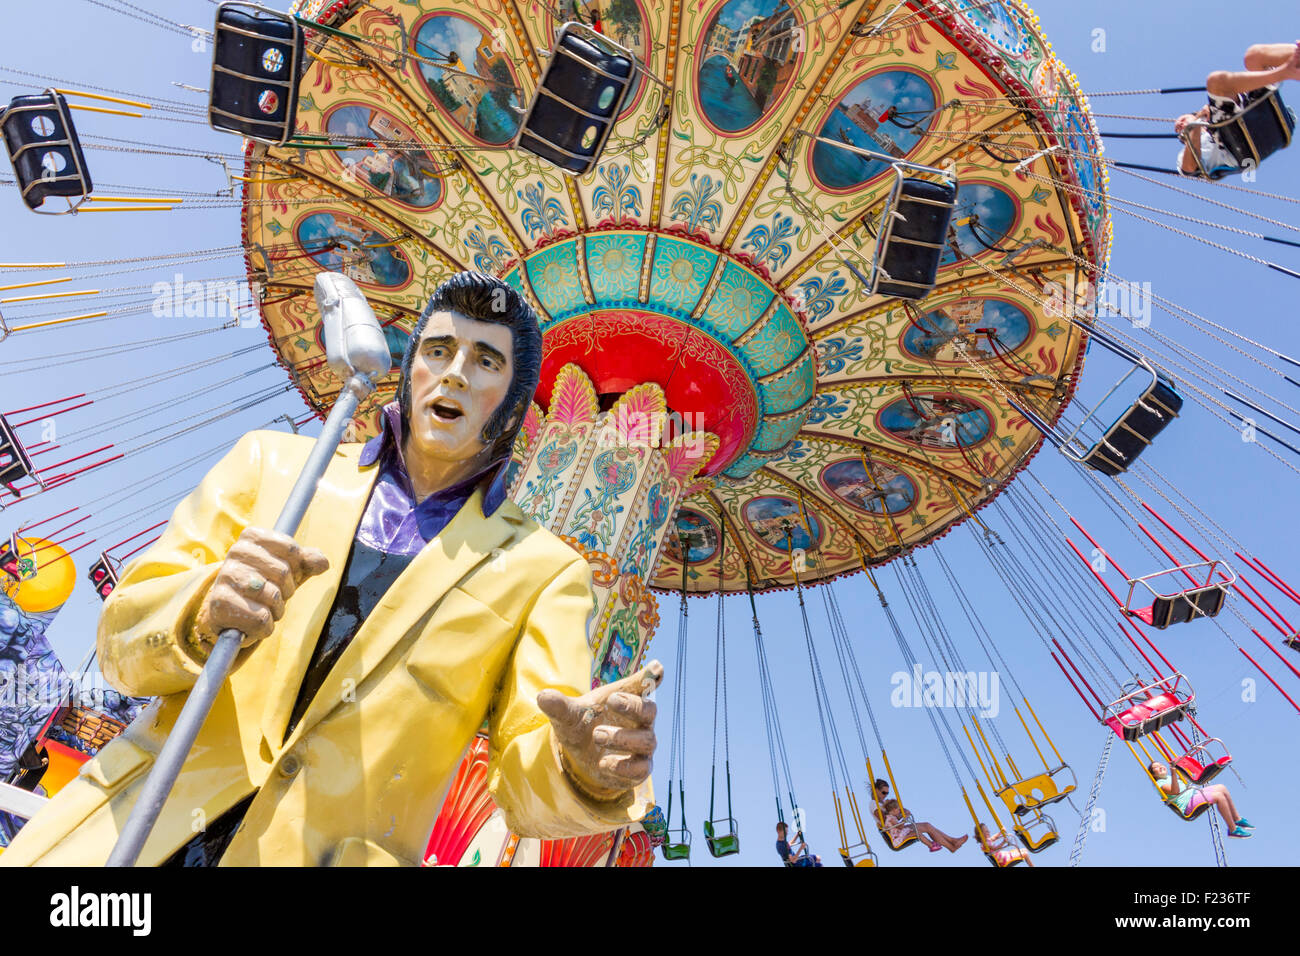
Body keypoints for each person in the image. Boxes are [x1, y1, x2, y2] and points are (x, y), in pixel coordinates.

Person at [1, 272, 661, 867]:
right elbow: (122, 644)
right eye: (438, 351)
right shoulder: (275, 468)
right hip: (133, 834)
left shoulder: (543, 572)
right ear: (407, 371)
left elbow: (523, 783)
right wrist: (198, 612)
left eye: (485, 362)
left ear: (513, 410)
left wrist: (585, 765)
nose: (455, 374)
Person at [1176, 42, 1300, 178]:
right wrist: (1193, 128)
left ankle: (1294, 63)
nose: (1180, 125)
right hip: (1240, 146)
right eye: (1178, 129)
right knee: (1216, 82)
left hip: (1258, 112)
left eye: (1181, 120)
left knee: (1253, 56)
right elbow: (1189, 169)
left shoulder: (1214, 113)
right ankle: (1285, 73)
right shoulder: (1188, 150)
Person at [1149, 760, 1253, 838]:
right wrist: (1173, 773)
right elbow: (1175, 791)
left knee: (1222, 788)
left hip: (1194, 794)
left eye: (1161, 765)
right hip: (1188, 804)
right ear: (1153, 774)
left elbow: (1185, 780)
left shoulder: (1169, 778)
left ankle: (1237, 819)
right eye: (1156, 768)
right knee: (1218, 796)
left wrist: (1181, 768)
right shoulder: (1160, 784)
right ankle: (1232, 830)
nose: (1161, 767)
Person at [870, 779, 969, 853]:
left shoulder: (883, 803)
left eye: (887, 793)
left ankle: (952, 841)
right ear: (876, 790)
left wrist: (901, 812)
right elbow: (885, 820)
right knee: (924, 828)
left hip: (897, 828)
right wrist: (900, 815)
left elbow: (893, 817)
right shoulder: (874, 804)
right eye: (883, 792)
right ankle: (951, 846)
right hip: (894, 833)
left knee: (927, 825)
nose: (885, 795)